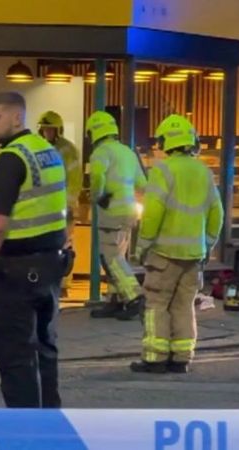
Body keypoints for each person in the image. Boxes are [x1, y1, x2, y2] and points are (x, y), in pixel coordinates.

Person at [0, 92, 70, 408]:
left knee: (16, 358)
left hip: (14, 273)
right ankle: (50, 422)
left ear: (17, 117)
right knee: (45, 349)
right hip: (49, 267)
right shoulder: (47, 152)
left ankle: (24, 428)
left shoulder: (10, 159)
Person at [131, 114, 224, 374]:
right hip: (194, 255)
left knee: (157, 304)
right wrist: (207, 244)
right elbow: (217, 214)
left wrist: (142, 247)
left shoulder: (162, 171)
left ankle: (155, 357)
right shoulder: (204, 172)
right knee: (184, 305)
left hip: (164, 253)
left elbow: (152, 214)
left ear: (165, 142)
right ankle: (182, 356)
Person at [86, 110, 147, 321]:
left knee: (111, 259)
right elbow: (143, 184)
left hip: (111, 213)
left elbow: (96, 177)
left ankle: (134, 296)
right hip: (129, 212)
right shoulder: (127, 152)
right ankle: (115, 299)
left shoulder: (100, 153)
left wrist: (97, 197)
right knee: (118, 256)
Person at [37, 111, 82, 293]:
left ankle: (63, 284)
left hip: (63, 207)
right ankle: (48, 280)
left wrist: (69, 205)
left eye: (50, 129)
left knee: (64, 244)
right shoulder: (40, 148)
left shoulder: (68, 150)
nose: (47, 132)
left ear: (58, 130)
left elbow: (74, 179)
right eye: (44, 129)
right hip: (46, 207)